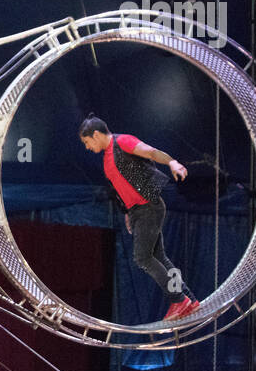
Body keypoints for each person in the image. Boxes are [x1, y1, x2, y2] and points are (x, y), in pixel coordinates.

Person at [79, 114, 199, 321]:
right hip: (137, 210)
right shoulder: (107, 156)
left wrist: (172, 162)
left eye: (87, 142)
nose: (87, 147)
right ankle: (189, 299)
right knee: (158, 257)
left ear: (96, 135)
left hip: (148, 208)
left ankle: (179, 301)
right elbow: (122, 188)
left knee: (142, 258)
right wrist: (127, 212)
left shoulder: (122, 142)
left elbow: (150, 152)